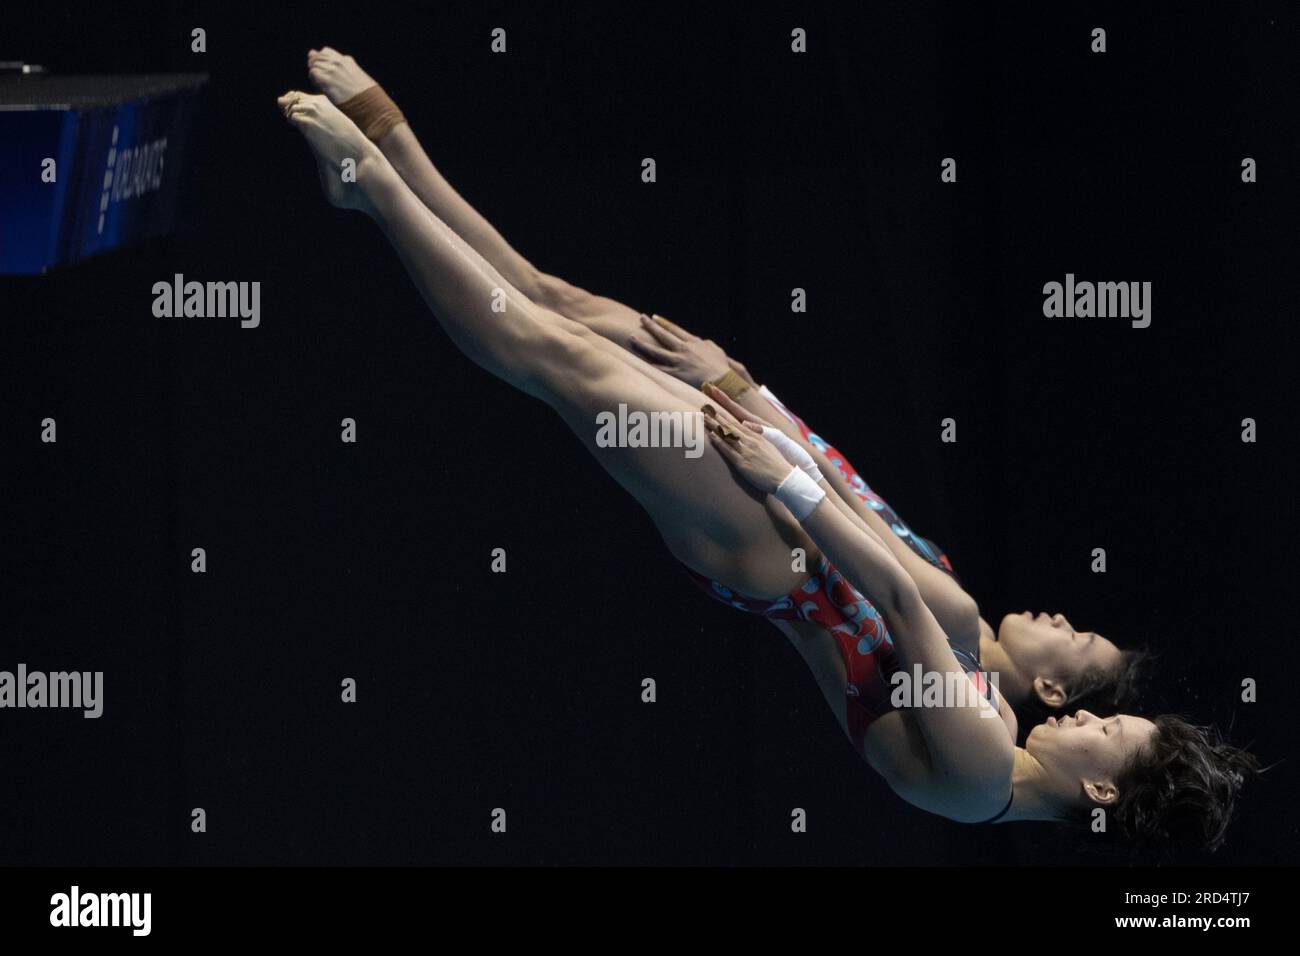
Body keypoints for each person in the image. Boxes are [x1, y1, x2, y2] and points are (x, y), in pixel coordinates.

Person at [276, 59, 1256, 847]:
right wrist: (756, 401)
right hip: (781, 504)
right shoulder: (990, 732)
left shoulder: (977, 775)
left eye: (1106, 725)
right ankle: (384, 166)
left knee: (550, 355)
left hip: (764, 541)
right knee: (553, 316)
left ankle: (375, 186)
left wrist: (778, 463)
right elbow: (876, 531)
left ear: (1096, 785)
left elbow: (898, 598)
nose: (1091, 716)